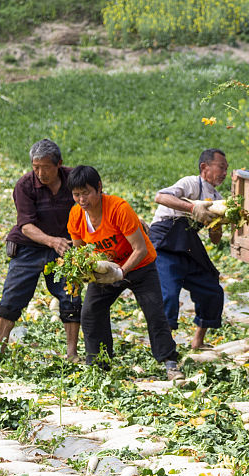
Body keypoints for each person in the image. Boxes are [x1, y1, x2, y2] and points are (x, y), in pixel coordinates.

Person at [65, 165, 182, 378]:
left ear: (99, 188)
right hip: (105, 270)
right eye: (76, 194)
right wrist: (87, 271)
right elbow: (81, 252)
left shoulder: (118, 208)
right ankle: (99, 365)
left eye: (86, 193)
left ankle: (170, 361)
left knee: (154, 312)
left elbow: (140, 248)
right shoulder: (76, 216)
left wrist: (120, 272)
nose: (82, 200)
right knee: (90, 312)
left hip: (139, 266)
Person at [0, 139, 81, 361]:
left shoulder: (74, 180)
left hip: (64, 247)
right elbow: (26, 226)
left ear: (59, 164)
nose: (41, 173)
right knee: (11, 298)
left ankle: (72, 353)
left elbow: (96, 202)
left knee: (71, 297)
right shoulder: (24, 185)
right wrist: (52, 241)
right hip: (29, 248)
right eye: (36, 167)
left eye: (46, 167)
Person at [149, 149, 228, 350]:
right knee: (168, 294)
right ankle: (164, 348)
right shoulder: (190, 183)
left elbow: (216, 240)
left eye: (226, 169)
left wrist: (219, 223)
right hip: (165, 238)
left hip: (187, 244)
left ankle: (198, 341)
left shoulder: (217, 197)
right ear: (204, 167)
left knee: (212, 288)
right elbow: (160, 197)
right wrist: (193, 208)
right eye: (221, 167)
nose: (224, 172)